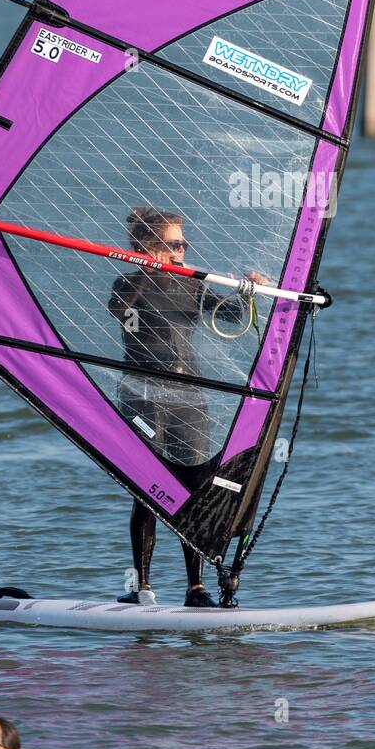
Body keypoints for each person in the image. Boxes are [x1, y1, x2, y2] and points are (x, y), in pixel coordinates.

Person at [109, 205, 268, 608]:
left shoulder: (193, 287)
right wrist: (149, 270)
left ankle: (195, 588)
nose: (182, 250)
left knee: (194, 490)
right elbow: (121, 311)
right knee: (146, 489)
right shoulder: (126, 284)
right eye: (173, 244)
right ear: (147, 247)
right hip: (141, 396)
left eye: (183, 243)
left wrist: (248, 291)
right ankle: (142, 587)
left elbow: (231, 316)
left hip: (189, 400)